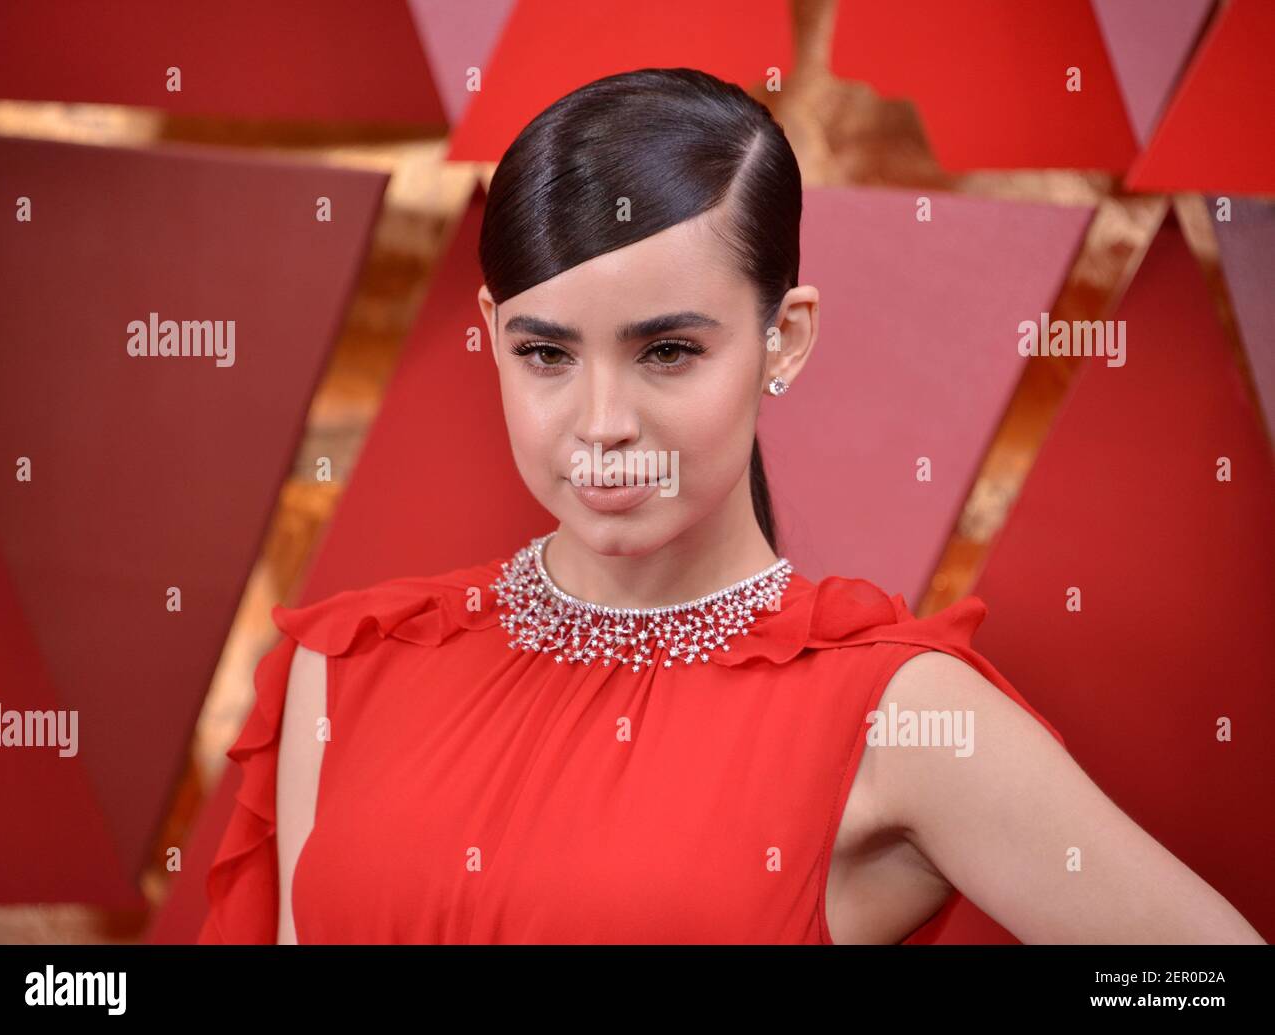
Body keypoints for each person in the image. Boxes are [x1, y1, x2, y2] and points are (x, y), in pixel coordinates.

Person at [198, 68, 1263, 945]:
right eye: (546, 354)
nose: (602, 420)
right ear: (489, 334)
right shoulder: (351, 666)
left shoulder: (892, 717)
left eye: (667, 351)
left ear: (783, 338)